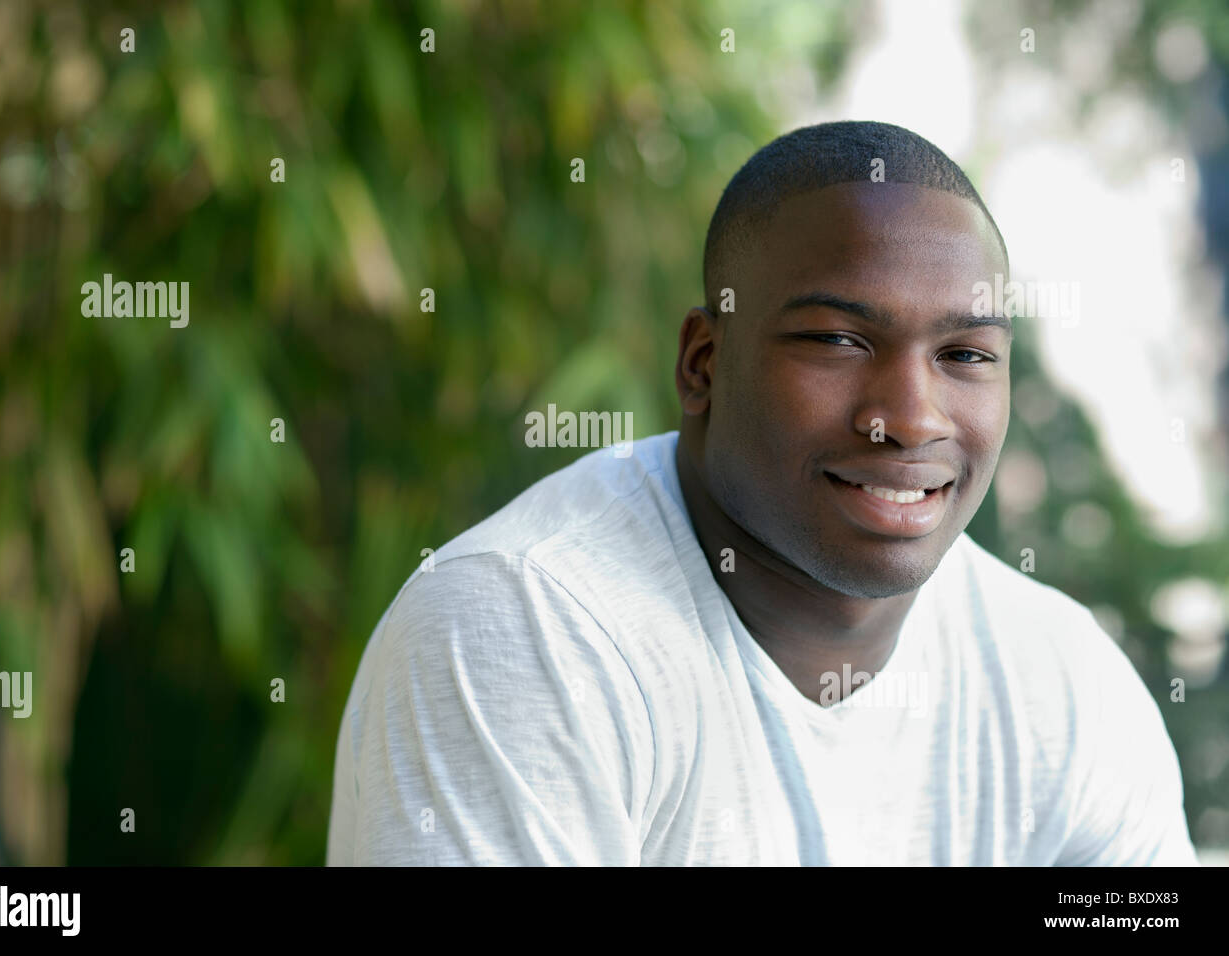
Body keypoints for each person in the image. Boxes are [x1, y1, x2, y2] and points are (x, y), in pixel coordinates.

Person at [327, 120, 1198, 865]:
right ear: (704, 363)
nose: (908, 417)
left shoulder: (1062, 683)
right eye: (837, 341)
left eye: (965, 355)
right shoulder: (526, 627)